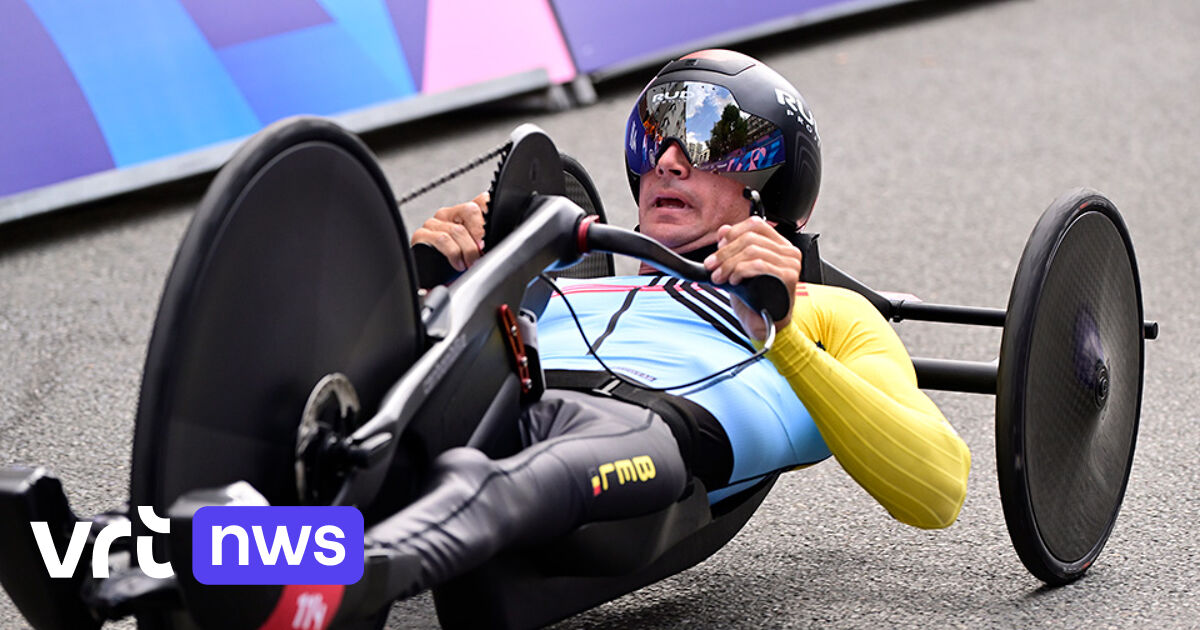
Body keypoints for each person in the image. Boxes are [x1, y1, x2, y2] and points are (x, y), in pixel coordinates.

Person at [359, 49, 971, 605]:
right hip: (502, 401)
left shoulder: (827, 312)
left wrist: (781, 335)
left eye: (708, 143)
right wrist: (432, 289)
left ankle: (349, 571)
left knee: (492, 482)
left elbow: (938, 488)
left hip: (642, 435)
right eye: (653, 140)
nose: (669, 162)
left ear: (772, 183)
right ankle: (263, 559)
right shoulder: (571, 286)